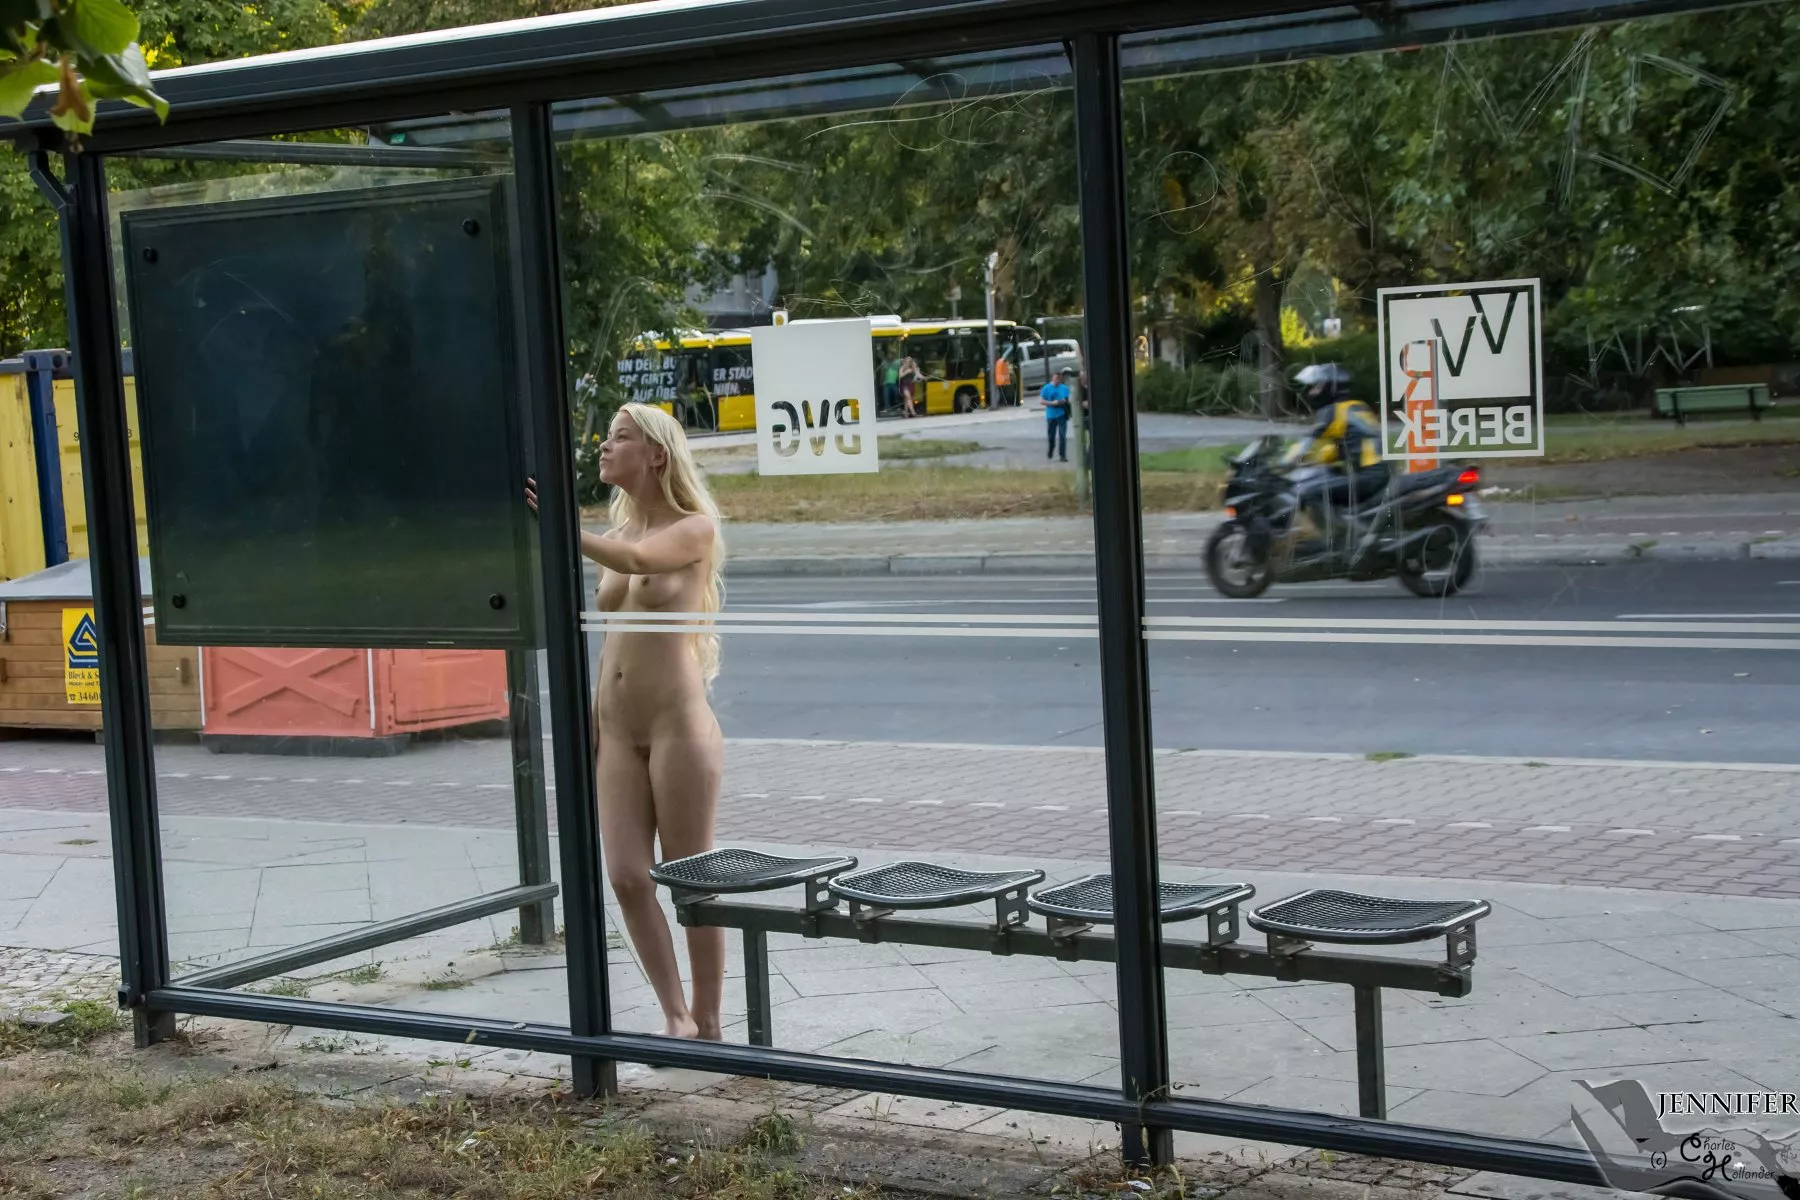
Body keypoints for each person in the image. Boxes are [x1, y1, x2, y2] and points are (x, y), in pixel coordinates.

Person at [525, 402, 726, 1041]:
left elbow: (638, 567)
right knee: (627, 875)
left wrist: (557, 523)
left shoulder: (694, 528)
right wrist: (590, 720)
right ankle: (674, 1016)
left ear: (656, 455)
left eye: (620, 438)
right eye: (608, 437)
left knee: (690, 877)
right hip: (616, 728)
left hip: (677, 727)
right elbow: (613, 635)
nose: (605, 448)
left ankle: (711, 1019)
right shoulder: (625, 528)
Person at [1284, 364, 1388, 540]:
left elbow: (1307, 441)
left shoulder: (1331, 411)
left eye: (1317, 387)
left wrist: (1285, 462)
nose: (1312, 392)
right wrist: (1317, 459)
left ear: (1329, 388)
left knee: (1310, 492)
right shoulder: (1355, 406)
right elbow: (1347, 444)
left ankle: (1343, 536)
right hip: (1378, 472)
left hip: (1368, 475)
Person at [1041, 369, 1072, 461]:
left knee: (1062, 435)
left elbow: (1068, 399)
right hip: (1051, 415)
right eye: (1056, 379)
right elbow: (1042, 401)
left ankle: (1062, 455)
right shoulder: (1046, 388)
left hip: (1061, 414)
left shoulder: (1064, 388)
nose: (1057, 381)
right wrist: (1052, 403)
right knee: (1051, 436)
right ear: (1053, 379)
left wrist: (1064, 401)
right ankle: (1051, 449)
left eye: (1059, 379)